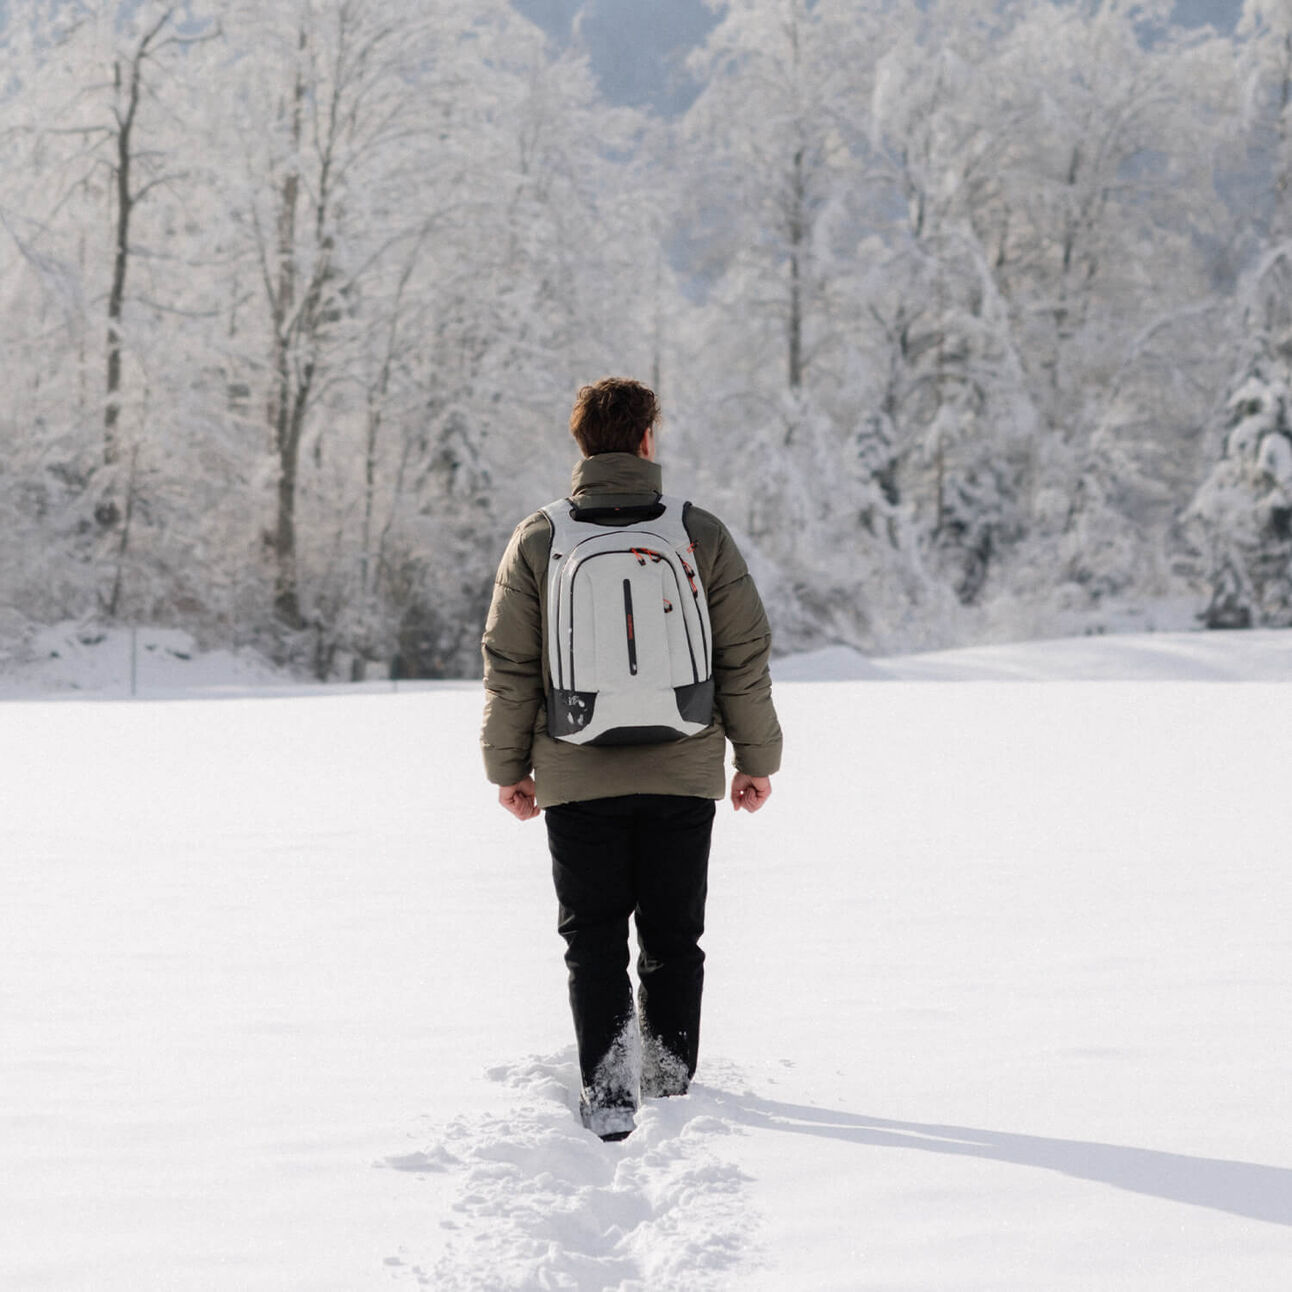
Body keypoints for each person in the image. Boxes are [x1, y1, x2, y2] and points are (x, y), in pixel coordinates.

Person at [480, 377, 782, 1141]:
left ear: (580, 443)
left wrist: (508, 767)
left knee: (593, 941)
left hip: (575, 771)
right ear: (648, 439)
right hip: (683, 766)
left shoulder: (541, 537)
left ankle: (610, 1096)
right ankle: (673, 1091)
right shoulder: (697, 533)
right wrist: (755, 756)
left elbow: (510, 665)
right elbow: (743, 654)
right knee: (674, 940)